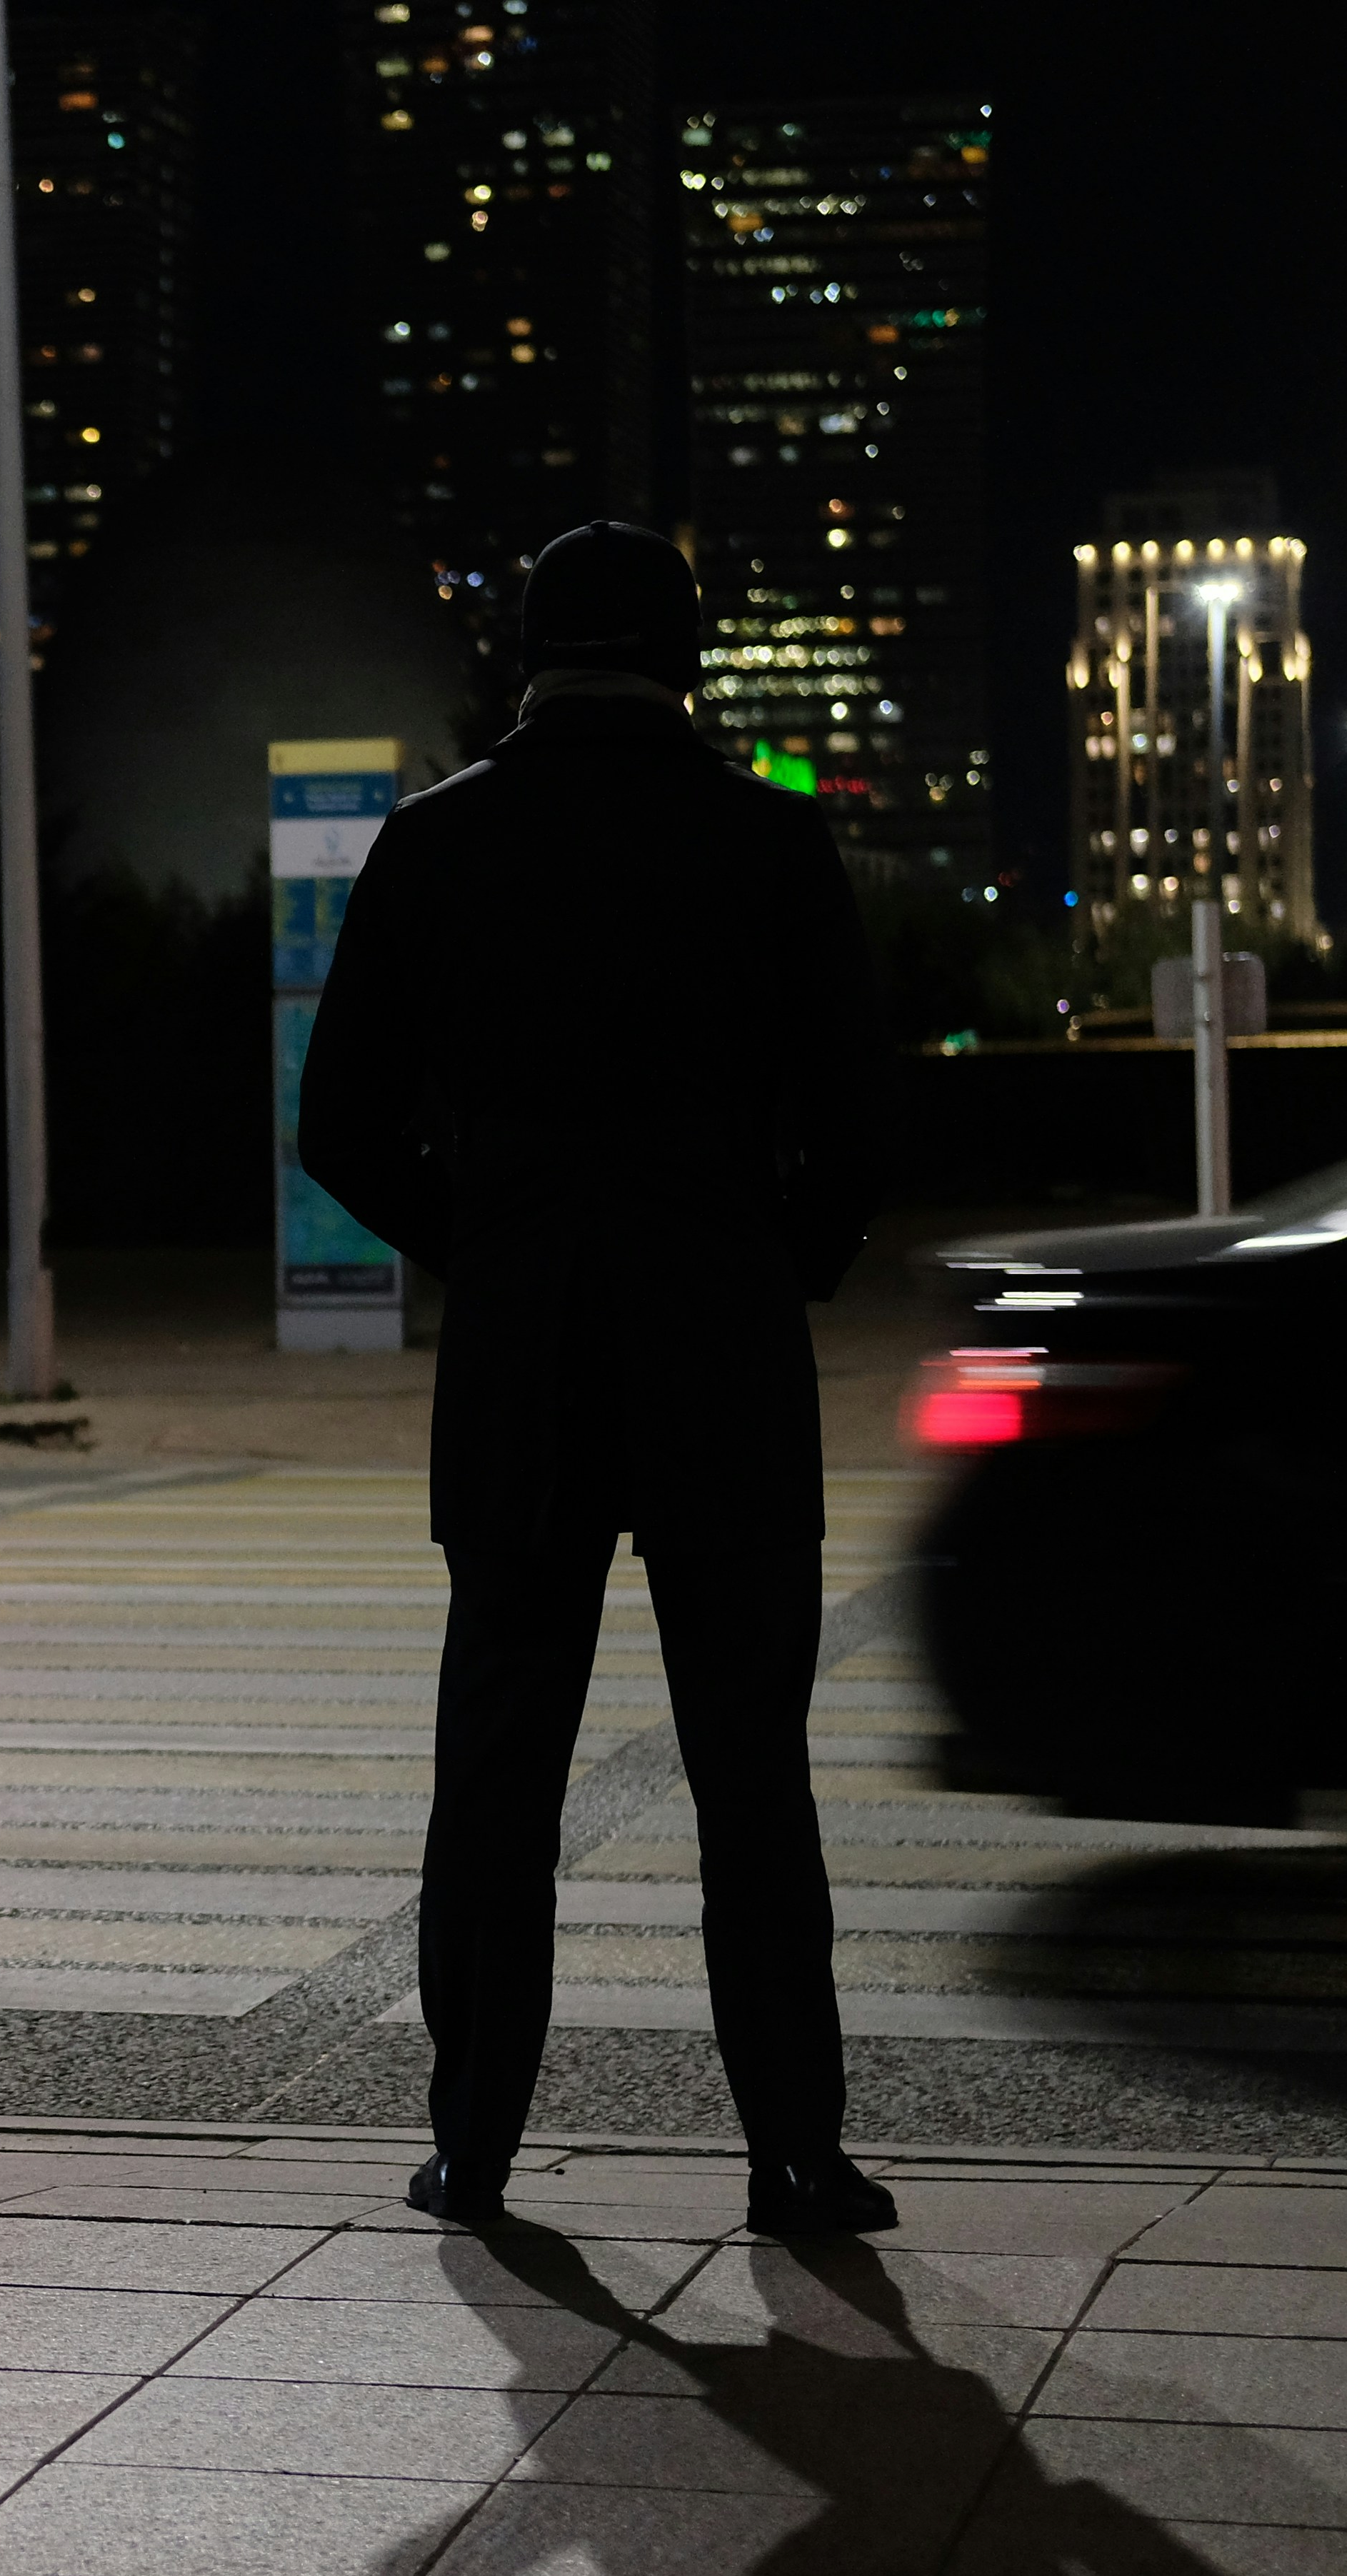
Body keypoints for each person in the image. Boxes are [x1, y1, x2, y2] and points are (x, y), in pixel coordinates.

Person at [299, 521, 898, 2242]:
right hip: (721, 1361)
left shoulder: (435, 847)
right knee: (751, 1778)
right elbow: (862, 1126)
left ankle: (474, 2140)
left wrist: (482, 1235)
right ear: (688, 656)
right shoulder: (772, 844)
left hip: (523, 1369)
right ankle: (795, 2151)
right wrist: (769, 1249)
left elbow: (338, 1123)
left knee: (499, 1771)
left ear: (530, 660)